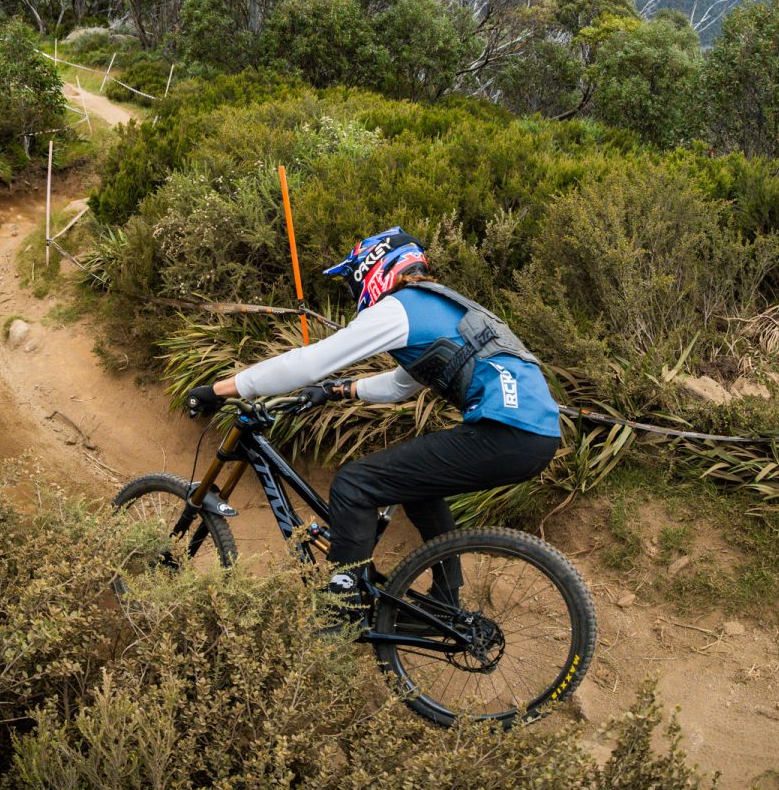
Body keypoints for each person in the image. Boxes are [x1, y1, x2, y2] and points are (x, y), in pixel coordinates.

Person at [185, 226, 562, 618]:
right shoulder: (440, 306)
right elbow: (399, 386)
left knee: (354, 484)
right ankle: (445, 601)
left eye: (353, 282)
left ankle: (340, 609)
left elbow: (308, 363)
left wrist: (220, 390)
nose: (354, 294)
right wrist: (334, 391)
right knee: (418, 488)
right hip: (533, 435)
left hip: (507, 431)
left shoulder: (400, 307)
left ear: (373, 270)